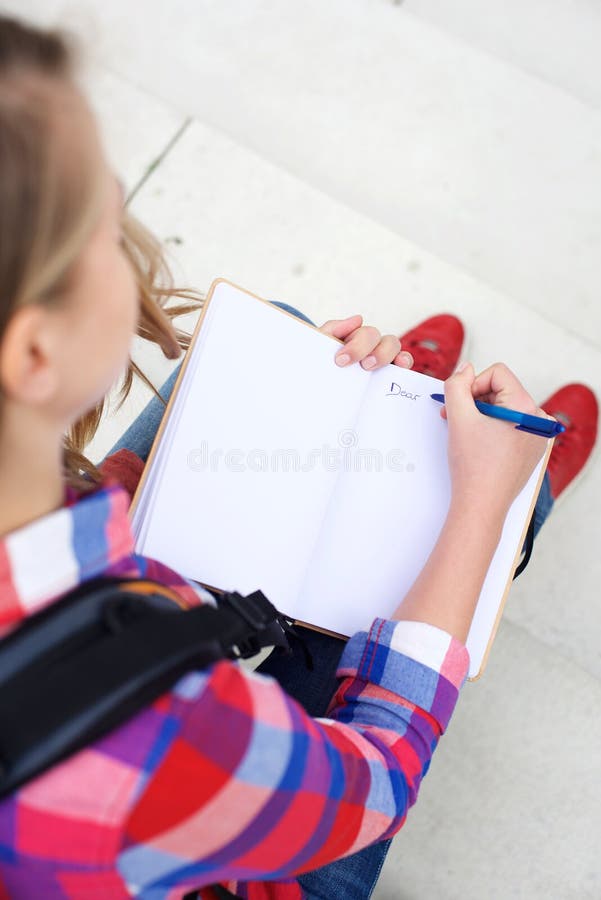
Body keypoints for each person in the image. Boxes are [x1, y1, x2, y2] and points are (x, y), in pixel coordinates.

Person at [0, 14, 597, 900]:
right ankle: (516, 493)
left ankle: (398, 434)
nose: (126, 219)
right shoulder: (147, 740)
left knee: (273, 336)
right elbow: (378, 774)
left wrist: (268, 417)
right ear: (34, 355)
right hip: (236, 839)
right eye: (101, 218)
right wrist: (477, 508)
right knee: (474, 514)